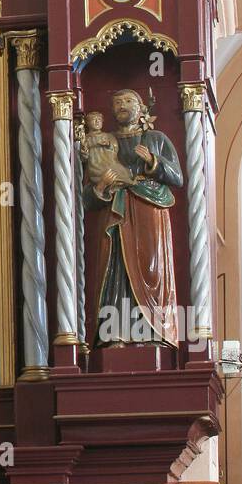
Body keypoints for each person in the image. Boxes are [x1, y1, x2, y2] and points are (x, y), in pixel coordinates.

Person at [83, 89, 183, 347]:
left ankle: (153, 334)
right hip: (116, 212)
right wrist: (101, 187)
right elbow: (84, 198)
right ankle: (113, 334)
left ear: (141, 108)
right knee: (116, 269)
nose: (122, 106)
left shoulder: (156, 138)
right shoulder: (103, 142)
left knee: (151, 267)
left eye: (128, 101)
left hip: (149, 211)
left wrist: (153, 161)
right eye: (117, 102)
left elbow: (178, 177)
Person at [78, 110, 133, 200]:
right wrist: (85, 153)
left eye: (99, 119)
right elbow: (84, 157)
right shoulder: (86, 139)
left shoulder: (109, 136)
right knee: (103, 175)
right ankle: (110, 186)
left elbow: (115, 148)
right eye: (93, 119)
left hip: (110, 161)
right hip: (96, 164)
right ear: (87, 123)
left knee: (122, 171)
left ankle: (118, 185)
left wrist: (109, 144)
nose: (97, 121)